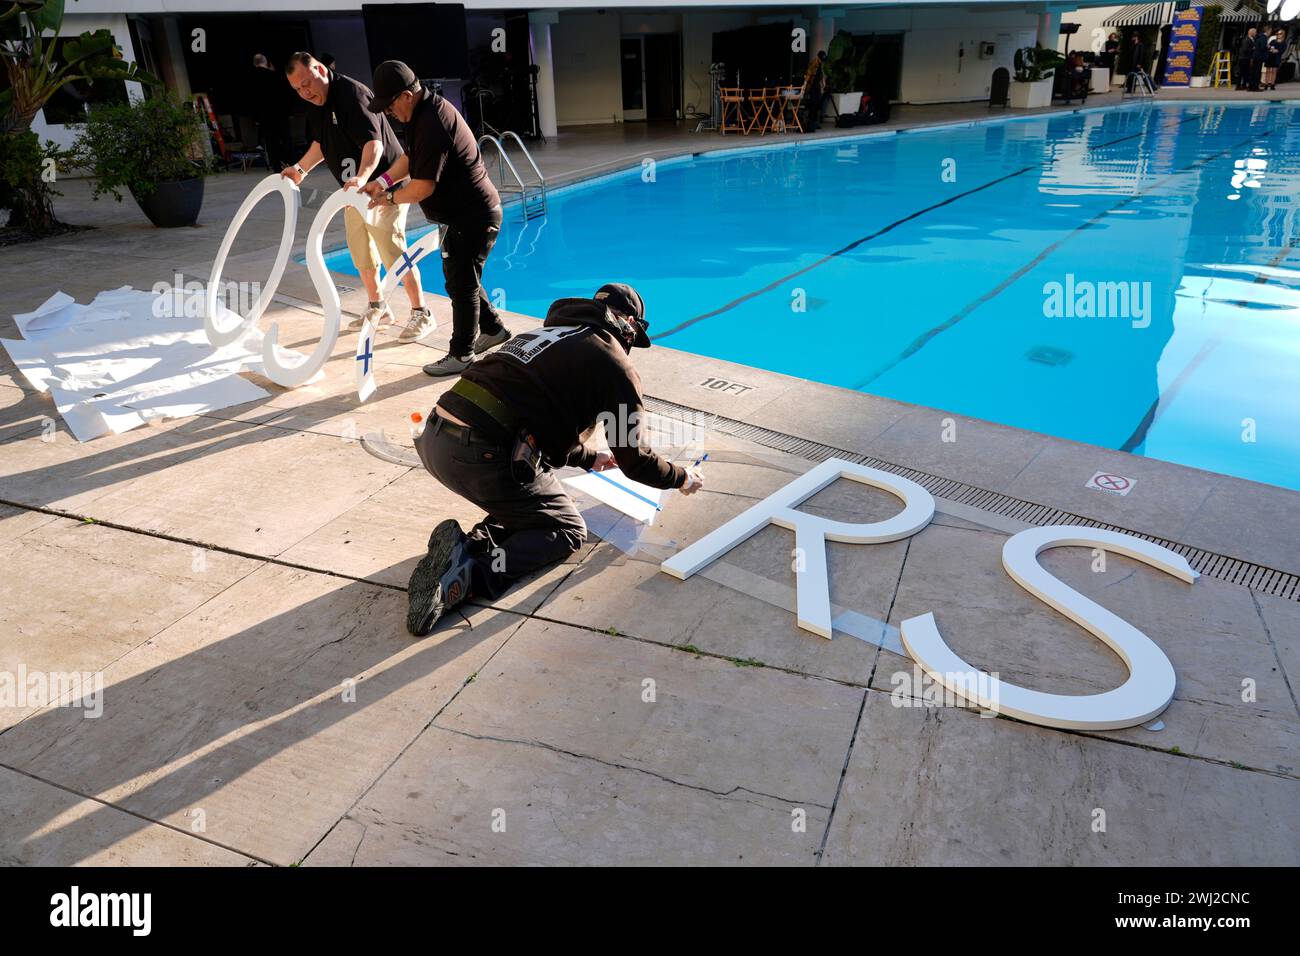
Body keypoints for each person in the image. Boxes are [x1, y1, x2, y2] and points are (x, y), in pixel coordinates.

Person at [404, 283, 705, 635]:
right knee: (564, 529)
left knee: (535, 492)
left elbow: (538, 415)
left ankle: (468, 546)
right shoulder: (616, 364)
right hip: (478, 455)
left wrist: (589, 458)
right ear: (628, 326)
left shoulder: (549, 334)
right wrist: (682, 478)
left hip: (435, 438)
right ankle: (469, 576)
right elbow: (636, 460)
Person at [362, 60, 512, 377]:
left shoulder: (433, 122)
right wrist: (383, 182)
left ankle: (462, 354)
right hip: (462, 215)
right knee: (461, 278)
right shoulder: (421, 113)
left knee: (463, 283)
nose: (388, 113)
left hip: (473, 215)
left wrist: (387, 198)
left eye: (389, 106)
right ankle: (493, 329)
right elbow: (408, 159)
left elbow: (421, 188)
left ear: (405, 95)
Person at [281, 53, 431, 339]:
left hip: (384, 184)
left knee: (391, 248)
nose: (305, 92)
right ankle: (378, 308)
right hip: (353, 191)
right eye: (298, 89)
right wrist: (300, 169)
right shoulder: (314, 104)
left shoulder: (352, 94)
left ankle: (421, 312)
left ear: (321, 71)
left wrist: (363, 177)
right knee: (360, 249)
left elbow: (373, 144)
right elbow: (320, 143)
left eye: (307, 83)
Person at [251, 54, 291, 171]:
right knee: (286, 139)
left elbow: (253, 100)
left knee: (271, 142)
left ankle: (276, 166)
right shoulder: (275, 75)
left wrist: (256, 118)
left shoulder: (251, 79)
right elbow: (284, 95)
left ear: (254, 63)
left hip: (265, 116)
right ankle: (289, 163)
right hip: (280, 113)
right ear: (266, 62)